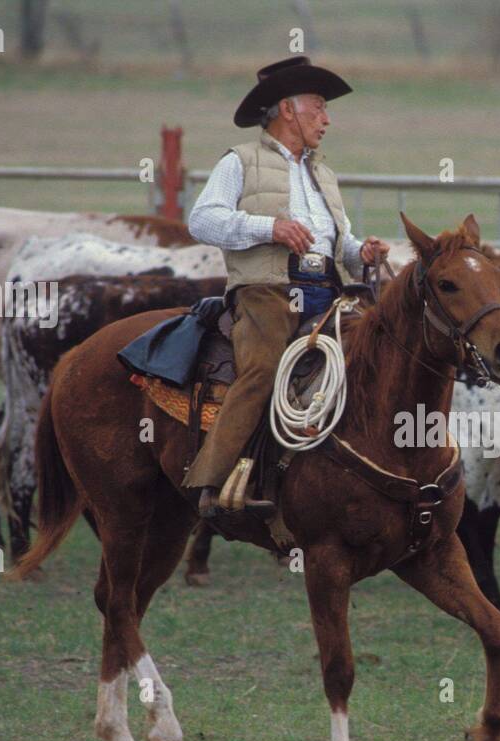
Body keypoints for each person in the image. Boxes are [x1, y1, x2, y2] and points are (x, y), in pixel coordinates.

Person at [183, 56, 389, 520]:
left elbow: (340, 242)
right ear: (287, 110)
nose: (327, 118)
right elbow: (201, 220)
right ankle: (213, 484)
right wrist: (268, 228)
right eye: (318, 107)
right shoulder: (240, 161)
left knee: (381, 352)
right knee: (265, 367)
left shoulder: (324, 175)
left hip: (329, 291)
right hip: (266, 289)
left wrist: (363, 254)